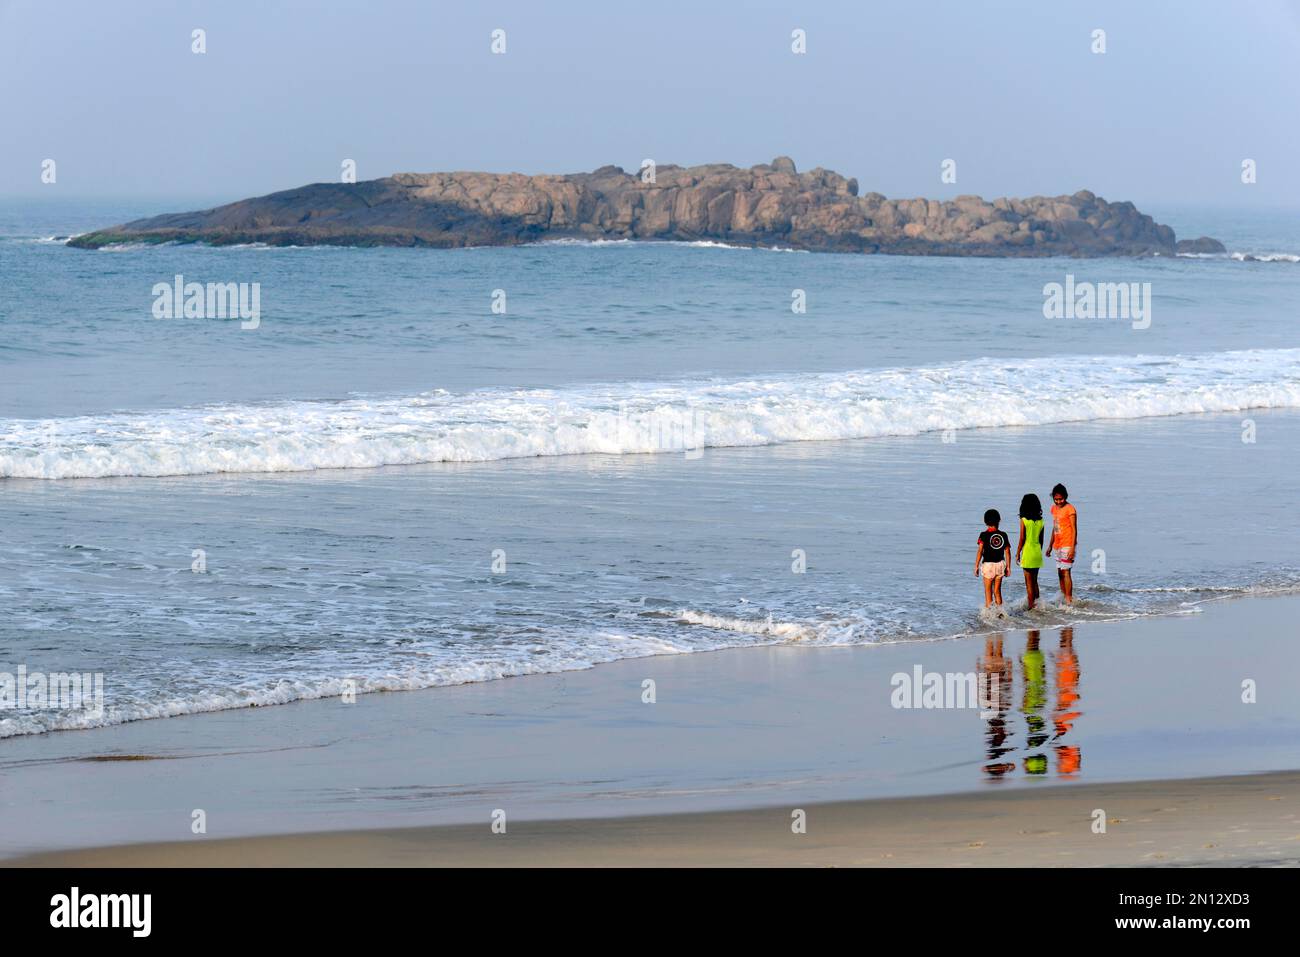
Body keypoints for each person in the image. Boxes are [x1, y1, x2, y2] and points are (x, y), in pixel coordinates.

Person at [1046, 483, 1078, 605]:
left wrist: (1072, 547)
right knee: (1059, 572)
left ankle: (1069, 599)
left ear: (1066, 497)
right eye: (1056, 499)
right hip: (1057, 544)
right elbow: (1055, 527)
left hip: (1067, 544)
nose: (1059, 501)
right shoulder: (1054, 508)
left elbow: (1074, 529)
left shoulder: (1070, 509)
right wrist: (1050, 545)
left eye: (1061, 499)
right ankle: (1063, 595)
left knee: (1066, 572)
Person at [974, 508, 1011, 611]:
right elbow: (1007, 552)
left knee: (988, 591)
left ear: (985, 522)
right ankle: (1000, 613)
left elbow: (980, 551)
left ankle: (989, 616)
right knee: (997, 591)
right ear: (999, 520)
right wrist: (1008, 567)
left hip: (988, 566)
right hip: (1000, 565)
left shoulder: (983, 535)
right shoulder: (1003, 535)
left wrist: (976, 566)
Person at [1016, 492, 1045, 609]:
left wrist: (1018, 553)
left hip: (1027, 552)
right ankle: (1038, 605)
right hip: (1037, 552)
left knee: (1028, 584)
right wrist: (1038, 551)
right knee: (1035, 581)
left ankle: (1031, 607)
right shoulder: (1041, 521)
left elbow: (1022, 538)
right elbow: (1041, 540)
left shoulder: (1024, 520)